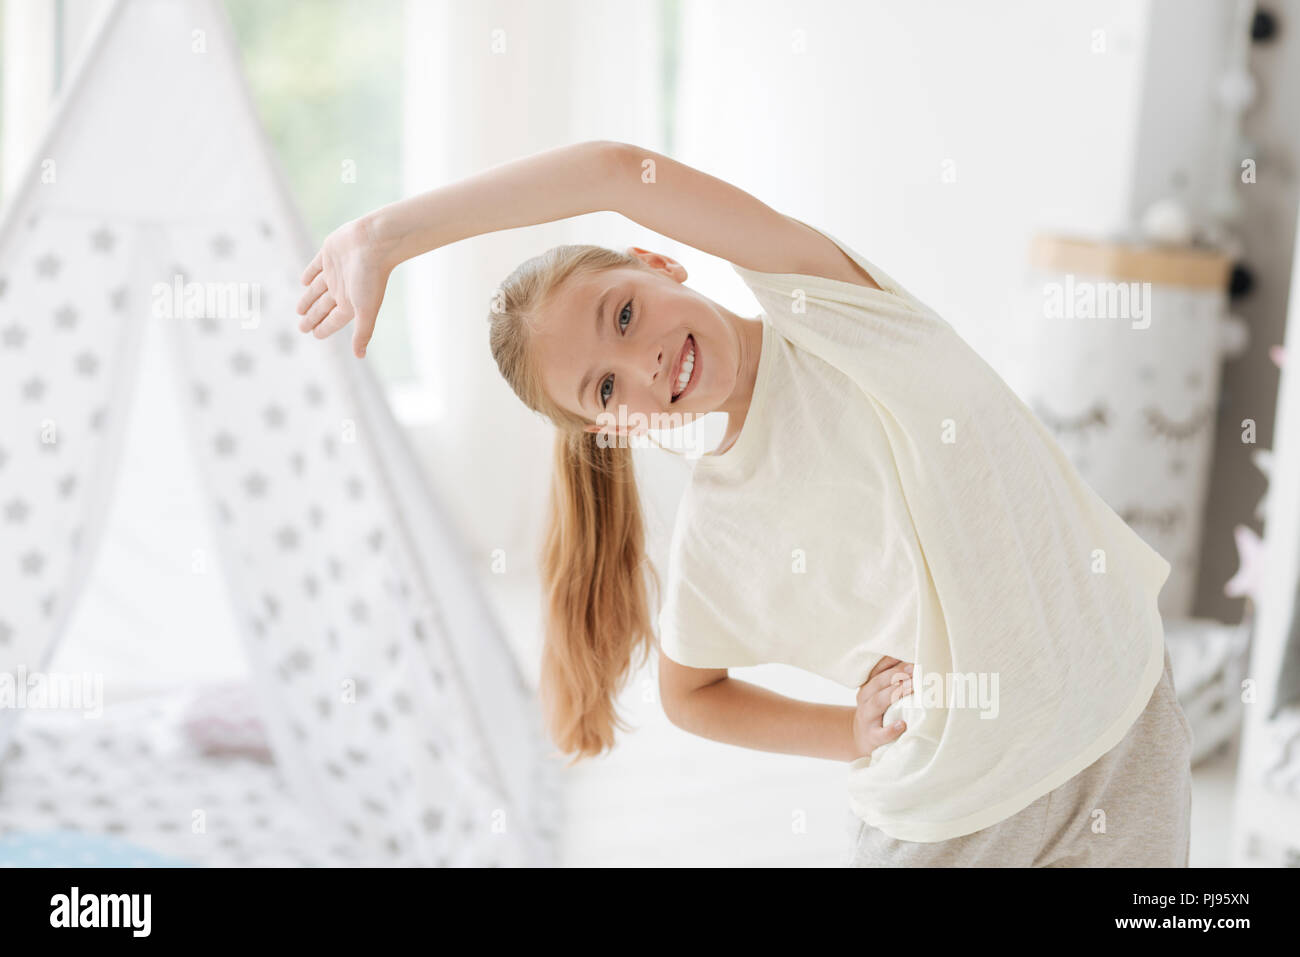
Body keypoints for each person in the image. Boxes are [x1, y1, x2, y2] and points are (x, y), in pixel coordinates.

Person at [296, 140, 1193, 866]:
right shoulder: (717, 536)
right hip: (949, 822)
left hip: (1123, 720)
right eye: (605, 390)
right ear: (610, 429)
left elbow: (613, 171)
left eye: (623, 314)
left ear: (659, 262)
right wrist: (849, 729)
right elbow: (692, 693)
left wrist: (390, 233)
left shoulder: (835, 309)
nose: (641, 360)